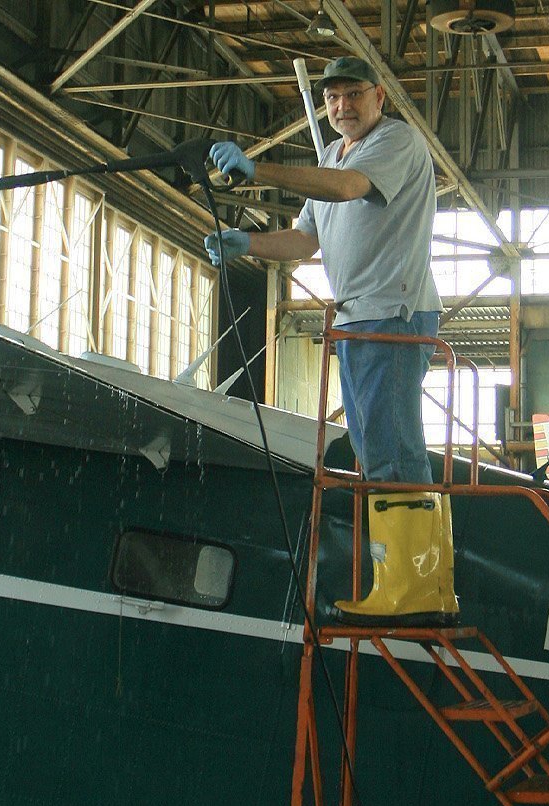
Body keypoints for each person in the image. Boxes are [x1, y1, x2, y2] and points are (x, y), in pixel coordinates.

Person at [204, 56, 456, 627]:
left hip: (394, 313)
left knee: (392, 449)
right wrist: (246, 243)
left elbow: (348, 189)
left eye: (352, 95)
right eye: (332, 98)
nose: (342, 106)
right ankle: (405, 583)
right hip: (360, 320)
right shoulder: (331, 157)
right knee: (376, 451)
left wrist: (260, 170)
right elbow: (301, 240)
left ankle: (416, 588)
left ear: (379, 97)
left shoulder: (396, 143)